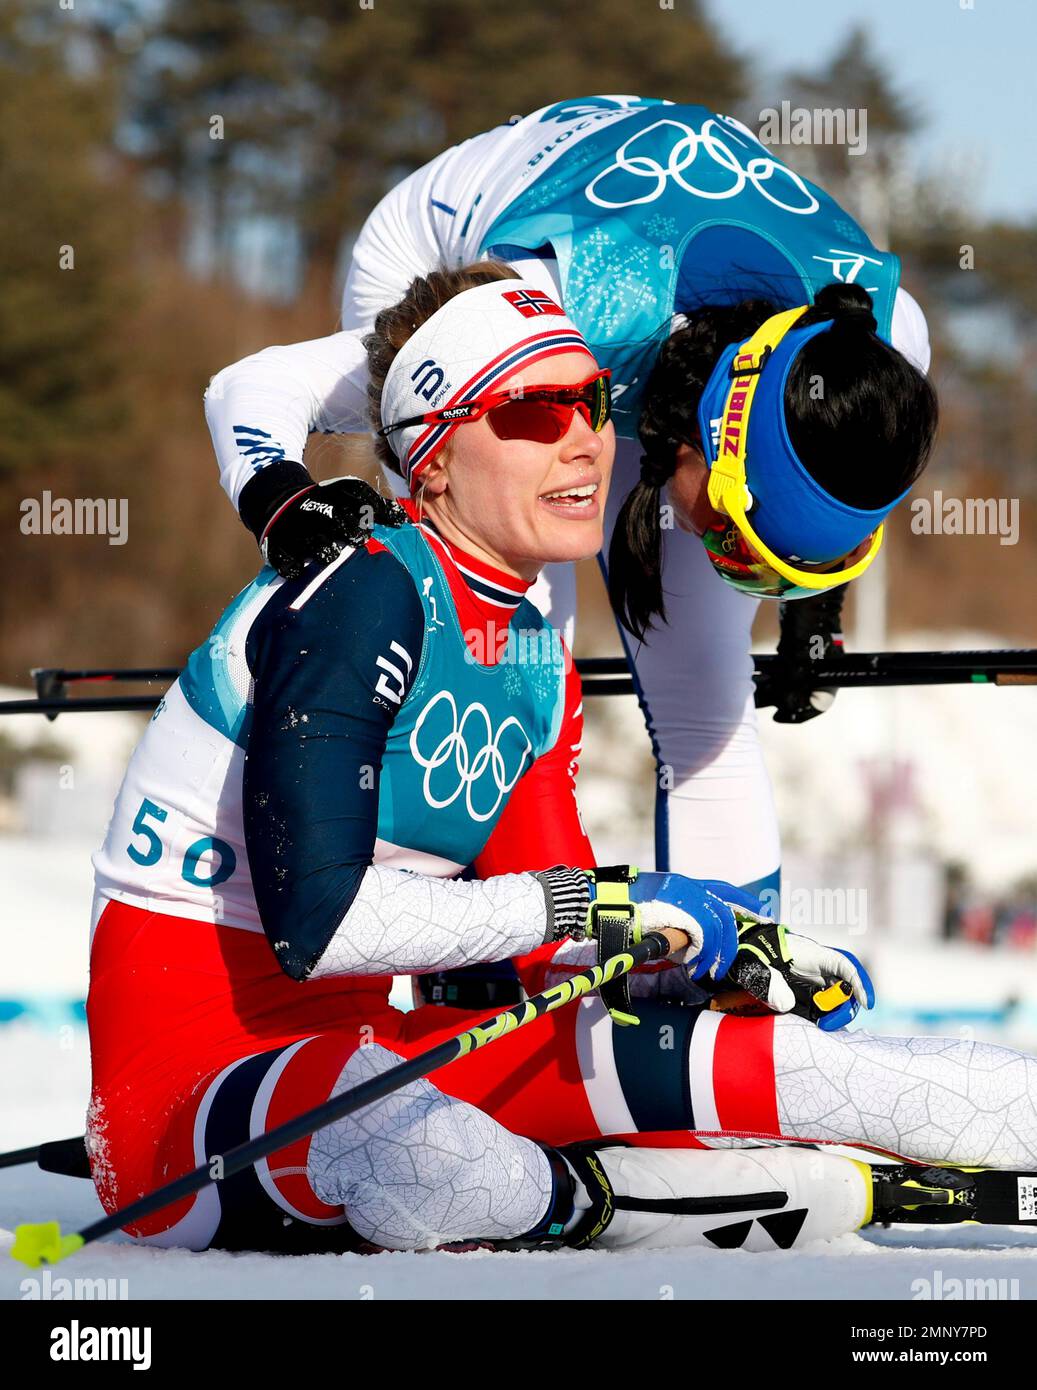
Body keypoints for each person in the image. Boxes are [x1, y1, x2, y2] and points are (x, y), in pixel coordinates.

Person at [87, 270, 1035, 1257]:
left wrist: (710, 952)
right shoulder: (359, 592)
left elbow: (537, 942)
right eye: (535, 412)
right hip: (191, 1105)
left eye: (590, 403)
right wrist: (597, 904)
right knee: (444, 1162)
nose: (586, 439)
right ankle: (626, 1198)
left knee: (795, 1063)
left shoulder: (533, 653)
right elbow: (318, 929)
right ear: (435, 455)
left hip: (378, 1055)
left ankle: (663, 1180)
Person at [204, 94, 938, 918]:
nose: (739, 571)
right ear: (718, 430)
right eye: (738, 544)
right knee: (514, 637)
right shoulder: (548, 316)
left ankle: (738, 976)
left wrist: (809, 599)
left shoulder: (883, 344)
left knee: (704, 686)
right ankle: (477, 949)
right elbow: (253, 385)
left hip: (664, 333)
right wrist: (283, 504)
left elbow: (821, 486)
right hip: (471, 246)